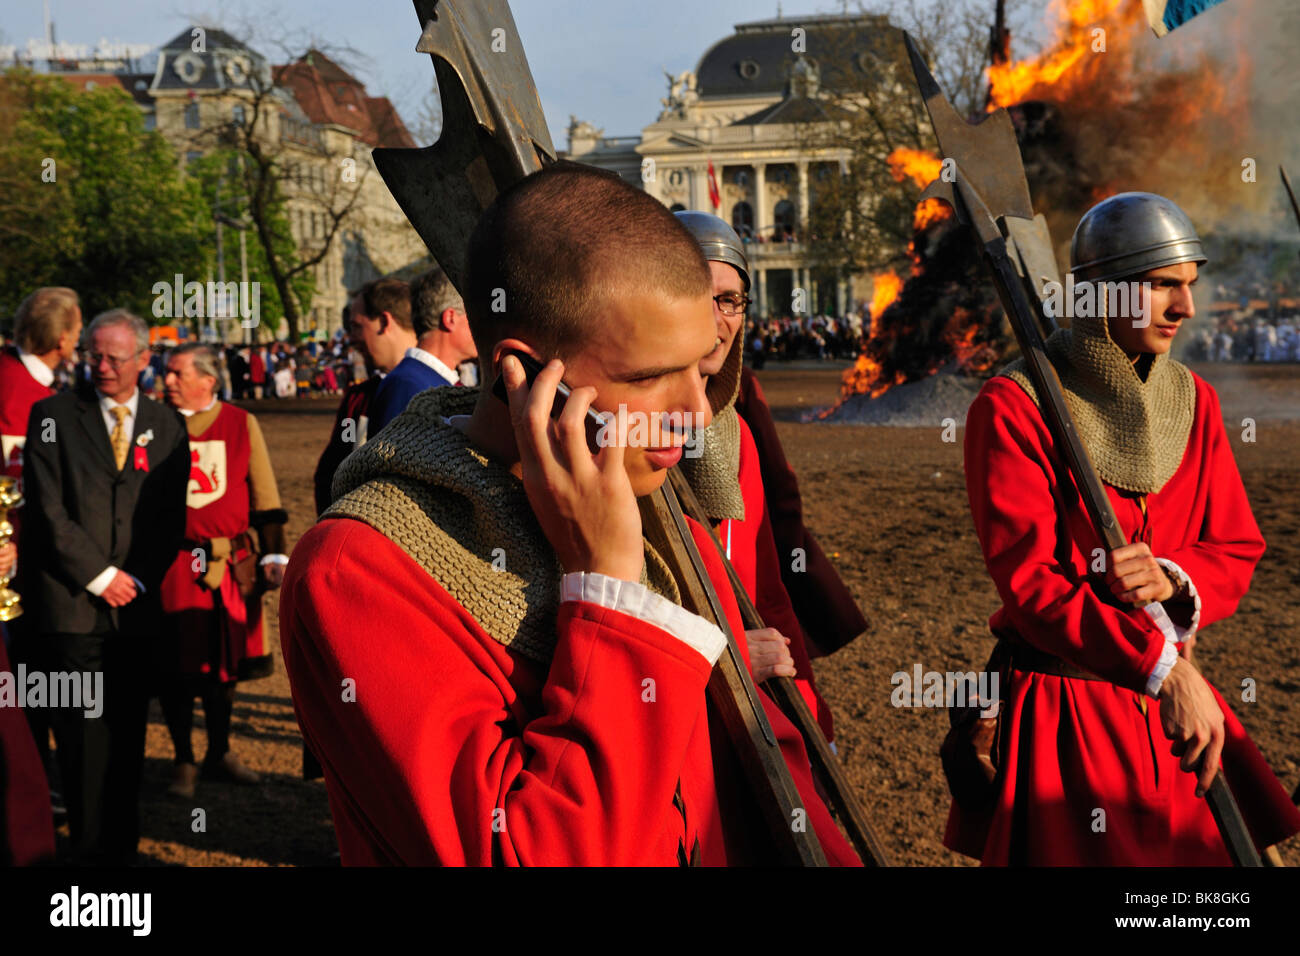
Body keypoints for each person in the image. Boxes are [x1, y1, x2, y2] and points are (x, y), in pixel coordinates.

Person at [280, 163, 860, 865]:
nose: (695, 417)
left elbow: (761, 785)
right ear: (524, 373)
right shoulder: (358, 569)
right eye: (649, 378)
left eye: (701, 372)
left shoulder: (661, 514)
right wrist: (608, 588)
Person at [946, 193, 1300, 865]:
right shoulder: (1014, 405)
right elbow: (1033, 585)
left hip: (1177, 720)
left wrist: (1172, 576)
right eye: (1164, 285)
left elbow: (1235, 544)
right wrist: (1160, 669)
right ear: (1104, 290)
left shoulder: (1197, 401)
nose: (1186, 308)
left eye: (1189, 285)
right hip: (1068, 713)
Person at [672, 211, 849, 741]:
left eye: (730, 301)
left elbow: (766, 594)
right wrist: (715, 654)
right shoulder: (616, 434)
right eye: (700, 296)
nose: (717, 319)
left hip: (744, 719)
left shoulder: (737, 437)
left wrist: (814, 713)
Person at [23, 308, 189, 864]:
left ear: (144, 359)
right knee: (81, 745)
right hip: (71, 612)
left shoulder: (168, 426)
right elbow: (47, 513)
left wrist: (136, 578)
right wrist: (101, 576)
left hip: (135, 613)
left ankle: (121, 856)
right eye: (94, 354)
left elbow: (169, 519)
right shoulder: (51, 416)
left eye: (115, 357)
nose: (102, 366)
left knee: (129, 741)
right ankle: (88, 862)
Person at [158, 344, 288, 799]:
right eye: (166, 373)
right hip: (173, 564)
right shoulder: (153, 425)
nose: (166, 380)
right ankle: (182, 759)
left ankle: (220, 751)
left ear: (207, 381)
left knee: (223, 668)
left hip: (230, 566)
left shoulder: (239, 422)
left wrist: (273, 556)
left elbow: (266, 496)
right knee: (175, 667)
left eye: (176, 373)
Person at [1, 287, 83, 825]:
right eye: (78, 332)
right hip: (16, 564)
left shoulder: (31, 383)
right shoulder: (24, 396)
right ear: (60, 340)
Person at [367, 266, 477, 434]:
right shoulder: (406, 385)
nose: (482, 325)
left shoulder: (418, 380)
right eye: (474, 314)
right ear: (450, 319)